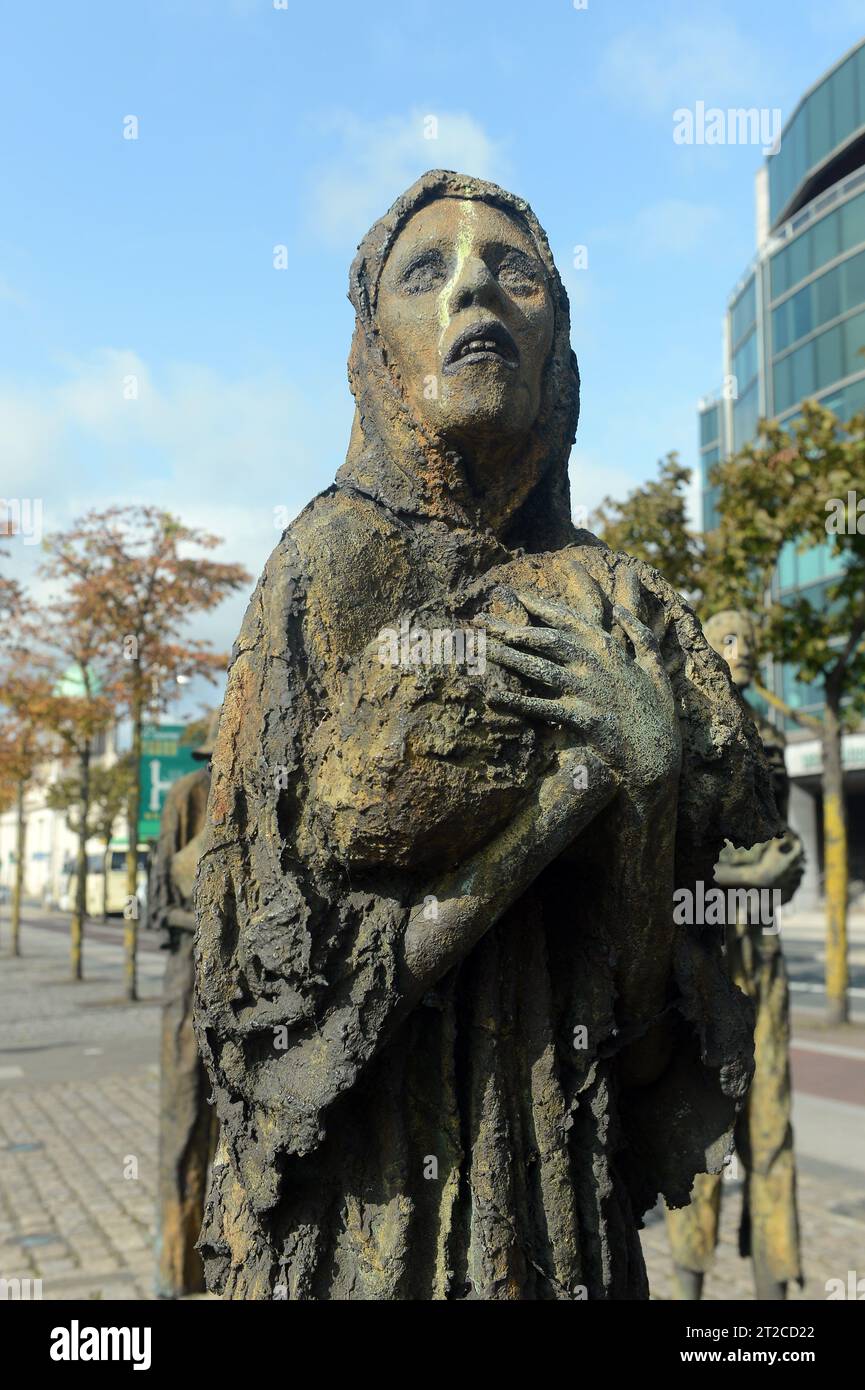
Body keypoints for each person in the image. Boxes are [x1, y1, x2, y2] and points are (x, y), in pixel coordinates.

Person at [193, 171, 779, 1300]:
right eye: (430, 272)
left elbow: (649, 1040)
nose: (478, 293)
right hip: (367, 1222)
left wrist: (649, 787)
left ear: (557, 344)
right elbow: (274, 1015)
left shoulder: (621, 602)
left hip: (565, 1218)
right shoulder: (327, 567)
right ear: (374, 346)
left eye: (517, 275)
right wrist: (549, 813)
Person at [666, 610, 803, 1300]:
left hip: (762, 950)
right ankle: (690, 1292)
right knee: (703, 1122)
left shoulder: (770, 738)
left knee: (771, 1120)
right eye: (727, 638)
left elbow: (788, 856)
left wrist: (773, 867)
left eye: (746, 638)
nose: (739, 649)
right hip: (707, 945)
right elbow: (678, 854)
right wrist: (751, 872)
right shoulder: (693, 730)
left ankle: (773, 1302)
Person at [150, 711, 220, 1299]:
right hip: (186, 986)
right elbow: (155, 913)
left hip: (244, 994)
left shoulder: (265, 792)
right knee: (183, 1126)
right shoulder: (185, 798)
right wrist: (208, 922)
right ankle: (175, 1272)